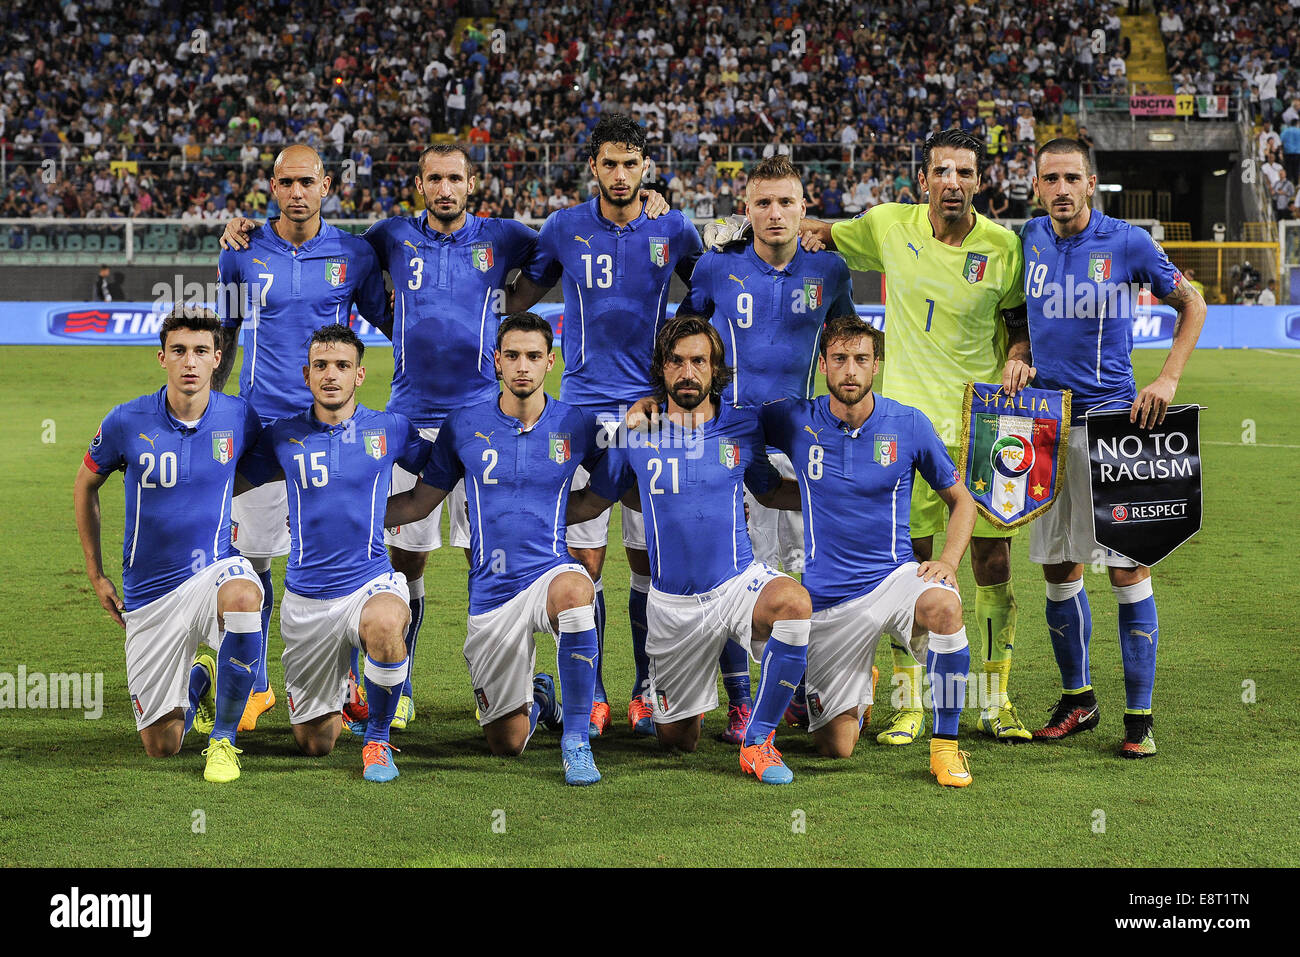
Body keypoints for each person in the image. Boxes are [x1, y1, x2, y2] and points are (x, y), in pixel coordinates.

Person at [800, 129, 1032, 745]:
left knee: (990, 561)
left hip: (983, 430)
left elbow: (1018, 323)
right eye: (941, 171)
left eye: (964, 172)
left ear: (979, 182)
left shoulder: (1004, 247)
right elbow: (817, 232)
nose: (952, 182)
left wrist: (1018, 354)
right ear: (922, 180)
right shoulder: (885, 225)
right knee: (901, 565)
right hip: (904, 430)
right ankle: (908, 702)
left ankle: (995, 698)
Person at [1009, 138, 1206, 758]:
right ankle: (1078, 700)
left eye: (1071, 178)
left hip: (1114, 427)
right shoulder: (1029, 239)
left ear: (1091, 184)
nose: (1060, 189)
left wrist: (1168, 378)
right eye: (1049, 179)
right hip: (1045, 427)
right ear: (1036, 186)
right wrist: (1018, 354)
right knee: (1058, 567)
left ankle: (1140, 719)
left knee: (1127, 568)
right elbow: (1019, 315)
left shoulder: (1127, 242)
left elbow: (1191, 302)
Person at [505, 114, 692, 738]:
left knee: (651, 559)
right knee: (586, 560)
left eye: (631, 163)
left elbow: (710, 291)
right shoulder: (563, 226)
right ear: (594, 167)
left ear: (647, 168)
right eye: (609, 163)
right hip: (583, 412)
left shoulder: (673, 225)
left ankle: (647, 684)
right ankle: (598, 691)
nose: (620, 174)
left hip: (652, 414)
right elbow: (517, 295)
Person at [566, 315, 812, 785]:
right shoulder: (635, 434)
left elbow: (768, 490)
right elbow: (594, 500)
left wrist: (828, 494)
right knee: (677, 741)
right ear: (661, 369)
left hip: (738, 584)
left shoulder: (744, 427)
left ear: (715, 368)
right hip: (672, 606)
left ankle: (759, 741)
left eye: (699, 361)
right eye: (676, 361)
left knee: (794, 604)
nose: (687, 372)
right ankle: (693, 707)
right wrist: (533, 514)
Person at [678, 154, 854, 741]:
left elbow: (850, 348)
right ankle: (738, 700)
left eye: (786, 202)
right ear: (745, 210)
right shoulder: (714, 270)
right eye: (762, 202)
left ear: (805, 207)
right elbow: (680, 344)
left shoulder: (831, 271)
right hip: (735, 443)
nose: (774, 213)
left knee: (810, 569)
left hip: (808, 441)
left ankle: (810, 690)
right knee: (736, 572)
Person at [214, 144, 389, 733]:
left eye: (306, 182)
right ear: (271, 185)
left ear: (327, 185)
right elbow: (226, 332)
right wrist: (212, 404)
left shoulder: (355, 254)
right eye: (285, 182)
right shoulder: (241, 253)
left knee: (341, 559)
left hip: (333, 428)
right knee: (254, 556)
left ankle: (356, 681)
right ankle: (258, 684)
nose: (296, 192)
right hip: (265, 428)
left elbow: (392, 320)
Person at [385, 313, 602, 785]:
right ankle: (542, 697)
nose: (522, 366)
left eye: (533, 356)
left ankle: (577, 741)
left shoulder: (577, 423)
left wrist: (560, 514)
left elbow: (612, 482)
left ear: (551, 361)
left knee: (577, 593)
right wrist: (351, 517)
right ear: (496, 363)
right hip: (491, 595)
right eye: (512, 356)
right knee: (507, 743)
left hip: (549, 571)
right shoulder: (463, 425)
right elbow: (422, 502)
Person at [760, 316, 978, 786]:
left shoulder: (908, 423)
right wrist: (764, 487)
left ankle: (946, 747)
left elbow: (962, 500)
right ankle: (856, 689)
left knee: (944, 606)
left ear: (876, 365)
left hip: (895, 579)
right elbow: (733, 425)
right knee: (835, 749)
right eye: (840, 359)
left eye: (861, 359)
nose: (850, 371)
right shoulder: (795, 418)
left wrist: (948, 562)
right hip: (829, 602)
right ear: (823, 366)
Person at [73, 306, 265, 783]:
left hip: (212, 573)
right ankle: (200, 675)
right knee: (162, 746)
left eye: (201, 351)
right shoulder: (125, 420)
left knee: (244, 597)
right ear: (162, 358)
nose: (190, 362)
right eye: (179, 351)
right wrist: (96, 575)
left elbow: (267, 468)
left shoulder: (239, 416)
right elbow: (84, 486)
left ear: (217, 359)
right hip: (149, 596)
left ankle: (223, 740)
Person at [236, 324, 429, 781]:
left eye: (342, 366)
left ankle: (377, 739)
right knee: (314, 745)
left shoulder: (391, 428)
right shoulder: (282, 436)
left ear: (359, 375)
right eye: (321, 366)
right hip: (306, 601)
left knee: (384, 623)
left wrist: (397, 509)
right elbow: (231, 481)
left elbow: (438, 472)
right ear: (306, 375)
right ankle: (342, 692)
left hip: (370, 581)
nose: (331, 375)